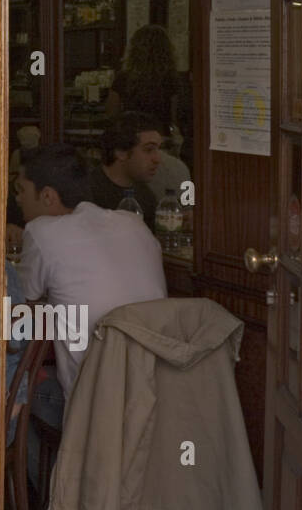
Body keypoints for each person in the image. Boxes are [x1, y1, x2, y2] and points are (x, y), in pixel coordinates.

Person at [14, 143, 168, 414]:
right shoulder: (133, 223)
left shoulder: (41, 232)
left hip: (91, 407)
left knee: (15, 390)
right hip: (155, 395)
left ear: (48, 196)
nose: (16, 199)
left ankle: (62, 457)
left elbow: (22, 311)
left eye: (21, 190)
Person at [105, 24, 192, 170]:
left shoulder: (124, 78)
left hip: (131, 142)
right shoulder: (171, 79)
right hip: (161, 142)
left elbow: (111, 112)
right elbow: (176, 116)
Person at [88, 111, 163, 231]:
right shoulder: (87, 193)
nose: (157, 159)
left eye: (158, 149)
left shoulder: (145, 195)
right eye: (149, 150)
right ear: (121, 152)